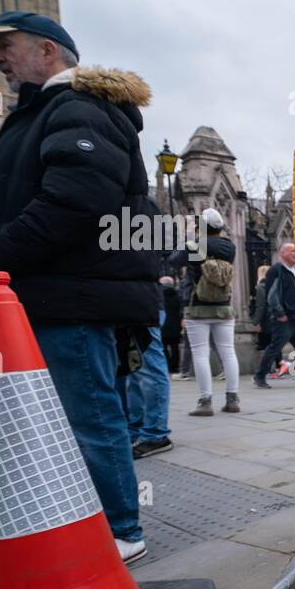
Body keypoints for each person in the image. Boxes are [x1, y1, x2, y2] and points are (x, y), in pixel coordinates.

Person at [0, 11, 157, 563]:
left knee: (90, 415)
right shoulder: (44, 111)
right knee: (60, 419)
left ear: (47, 52)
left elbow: (75, 201)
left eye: (5, 46)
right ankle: (84, 522)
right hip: (45, 294)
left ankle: (120, 531)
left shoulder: (78, 106)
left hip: (67, 298)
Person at [169, 208, 240, 415]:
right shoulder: (230, 247)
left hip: (197, 305)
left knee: (200, 353)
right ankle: (232, 399)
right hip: (224, 305)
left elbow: (174, 260)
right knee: (228, 352)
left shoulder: (195, 245)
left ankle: (205, 401)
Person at [119, 196, 173, 459]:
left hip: (140, 297)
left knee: (148, 367)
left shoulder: (140, 204)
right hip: (125, 296)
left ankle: (155, 432)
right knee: (131, 370)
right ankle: (137, 428)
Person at [254, 242, 295, 388]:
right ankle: (260, 376)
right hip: (284, 319)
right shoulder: (276, 270)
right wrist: (279, 313)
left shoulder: (294, 270)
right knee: (275, 347)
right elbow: (272, 295)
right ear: (282, 254)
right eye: (292, 251)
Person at [160, 274, 182, 372]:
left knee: (163, 347)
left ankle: (167, 365)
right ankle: (175, 366)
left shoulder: (159, 296)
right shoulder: (178, 295)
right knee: (175, 347)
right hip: (175, 326)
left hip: (163, 325)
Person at [251, 264, 272, 352]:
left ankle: (266, 366)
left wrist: (256, 322)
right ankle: (279, 365)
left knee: (267, 348)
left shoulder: (261, 287)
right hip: (275, 320)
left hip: (266, 322)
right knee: (275, 348)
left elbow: (260, 306)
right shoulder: (274, 285)